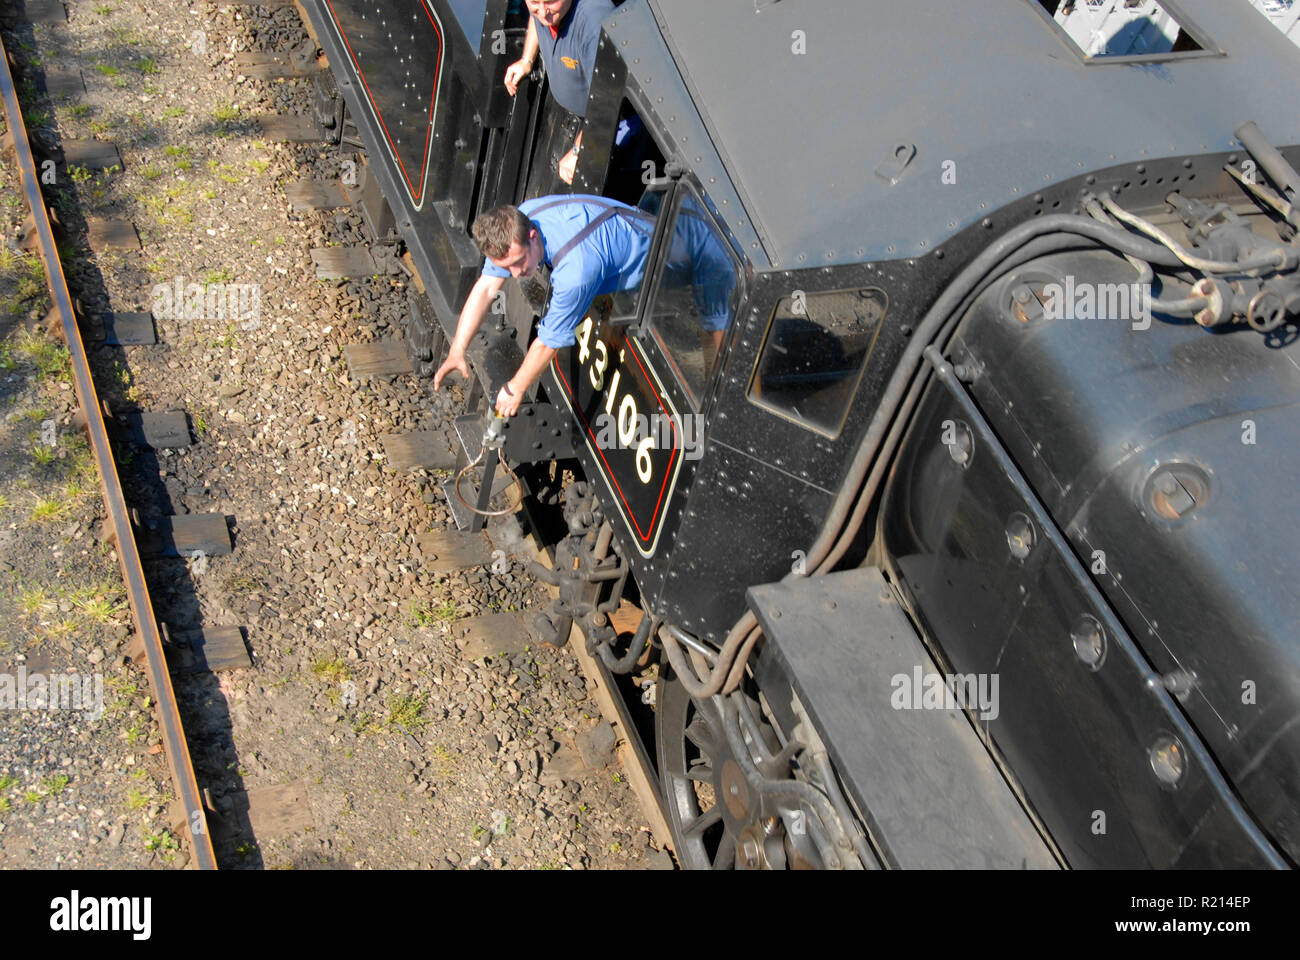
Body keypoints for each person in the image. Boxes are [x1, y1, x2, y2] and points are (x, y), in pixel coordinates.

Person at [432, 195, 656, 416]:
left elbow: (548, 342)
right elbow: (486, 289)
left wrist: (515, 388)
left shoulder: (574, 273)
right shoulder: (523, 217)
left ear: (532, 236)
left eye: (519, 262)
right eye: (508, 267)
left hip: (668, 262)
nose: (516, 273)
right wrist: (458, 350)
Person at [502, 0, 615, 184]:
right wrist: (526, 60)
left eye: (550, 2)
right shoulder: (544, 12)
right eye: (534, 2)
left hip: (606, 125)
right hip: (574, 119)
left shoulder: (594, 24)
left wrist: (579, 150)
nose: (543, 11)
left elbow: (607, 101)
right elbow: (536, 19)